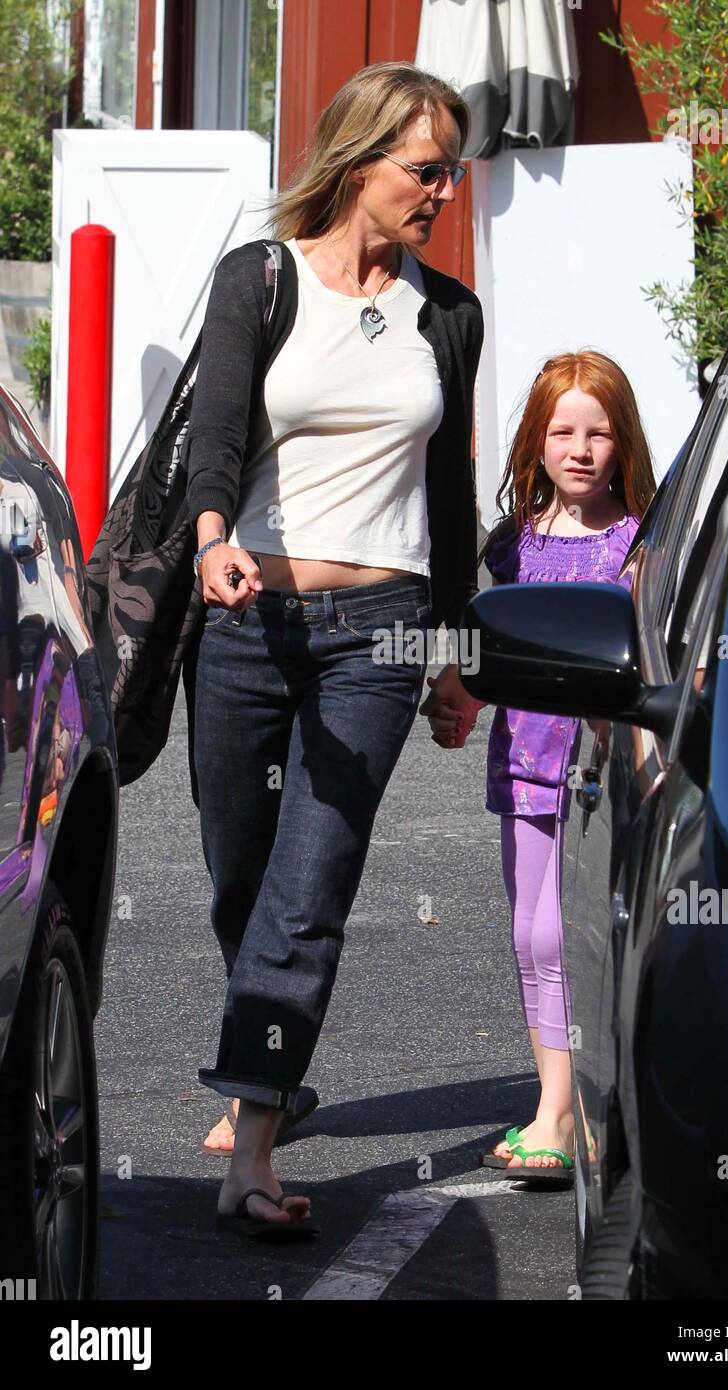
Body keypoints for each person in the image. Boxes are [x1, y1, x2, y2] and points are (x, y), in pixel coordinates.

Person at [185, 61, 484, 1234]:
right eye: (425, 169)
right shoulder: (257, 281)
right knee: (239, 871)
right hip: (250, 619)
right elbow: (214, 440)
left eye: (452, 172)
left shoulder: (445, 315)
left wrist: (454, 652)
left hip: (383, 632)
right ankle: (273, 1056)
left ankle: (251, 1140)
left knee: (310, 887)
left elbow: (451, 504)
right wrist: (215, 539)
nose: (442, 191)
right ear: (358, 162)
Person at [421, 352, 655, 1173]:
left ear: (624, 444)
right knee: (532, 934)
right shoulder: (513, 544)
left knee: (578, 932)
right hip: (526, 761)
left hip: (599, 771)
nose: (581, 449)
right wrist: (460, 694)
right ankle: (554, 1103)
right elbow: (497, 645)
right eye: (562, 431)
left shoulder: (638, 547)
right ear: (535, 441)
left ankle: (576, 1107)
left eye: (600, 432)